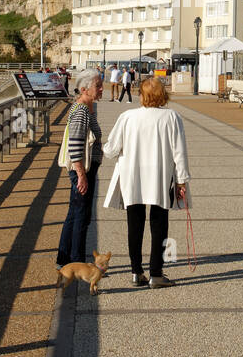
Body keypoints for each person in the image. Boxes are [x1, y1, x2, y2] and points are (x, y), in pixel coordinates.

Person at [102, 77, 191, 288]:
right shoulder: (172, 117)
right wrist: (181, 181)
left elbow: (111, 149)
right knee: (159, 224)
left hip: (133, 176)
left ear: (142, 95)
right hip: (161, 177)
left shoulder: (128, 117)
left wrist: (108, 147)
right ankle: (156, 273)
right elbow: (180, 153)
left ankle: (136, 271)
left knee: (134, 224)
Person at [57, 69, 104, 266]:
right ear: (84, 89)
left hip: (85, 169)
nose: (102, 89)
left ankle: (65, 259)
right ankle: (76, 261)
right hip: (82, 170)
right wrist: (81, 175)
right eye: (98, 86)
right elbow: (74, 144)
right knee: (81, 215)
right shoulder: (81, 111)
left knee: (75, 212)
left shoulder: (87, 107)